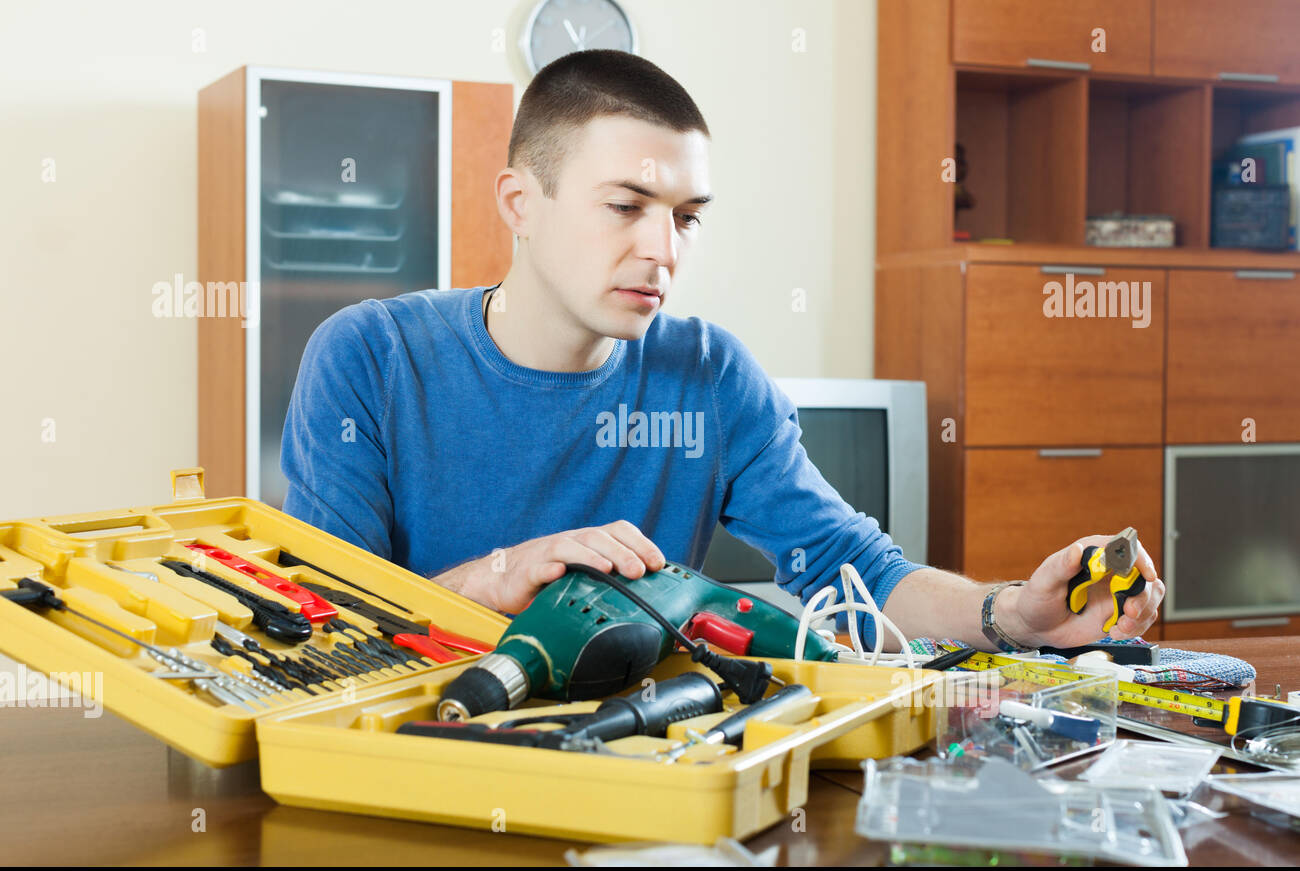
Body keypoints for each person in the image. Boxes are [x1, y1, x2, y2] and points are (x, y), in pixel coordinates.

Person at [281, 49, 1164, 652]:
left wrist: (1012, 616)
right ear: (520, 201)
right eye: (626, 206)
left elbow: (851, 569)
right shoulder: (366, 358)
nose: (666, 251)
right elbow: (330, 626)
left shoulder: (708, 374)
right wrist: (501, 577)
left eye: (688, 218)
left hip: (646, 776)